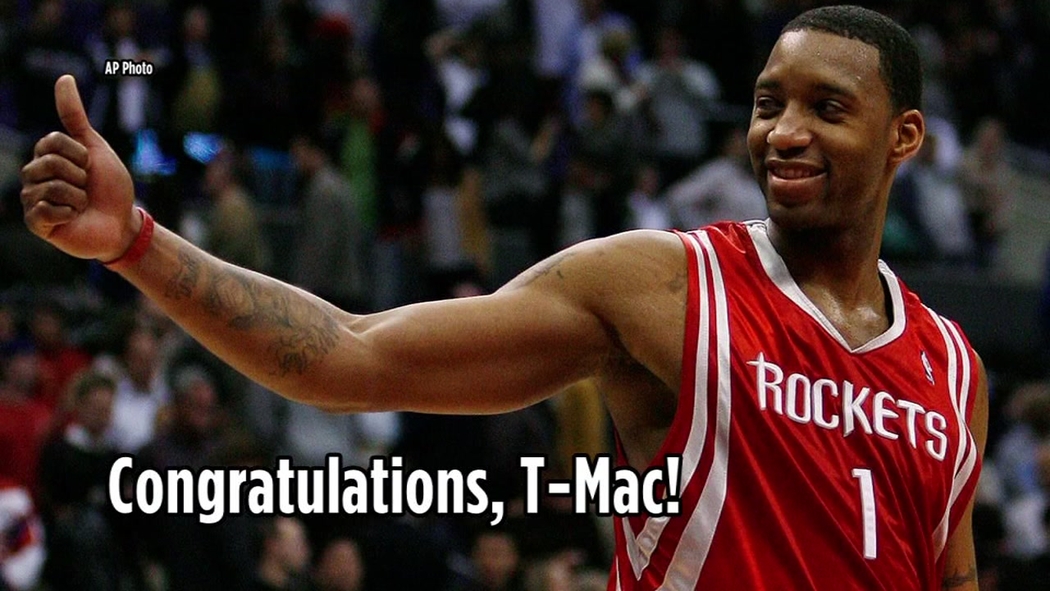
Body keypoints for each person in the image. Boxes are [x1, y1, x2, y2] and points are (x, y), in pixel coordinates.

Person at [20, 5, 987, 589]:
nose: (783, 131)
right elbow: (351, 354)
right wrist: (136, 242)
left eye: (827, 108)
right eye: (769, 102)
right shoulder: (664, 285)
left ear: (904, 137)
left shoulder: (952, 368)